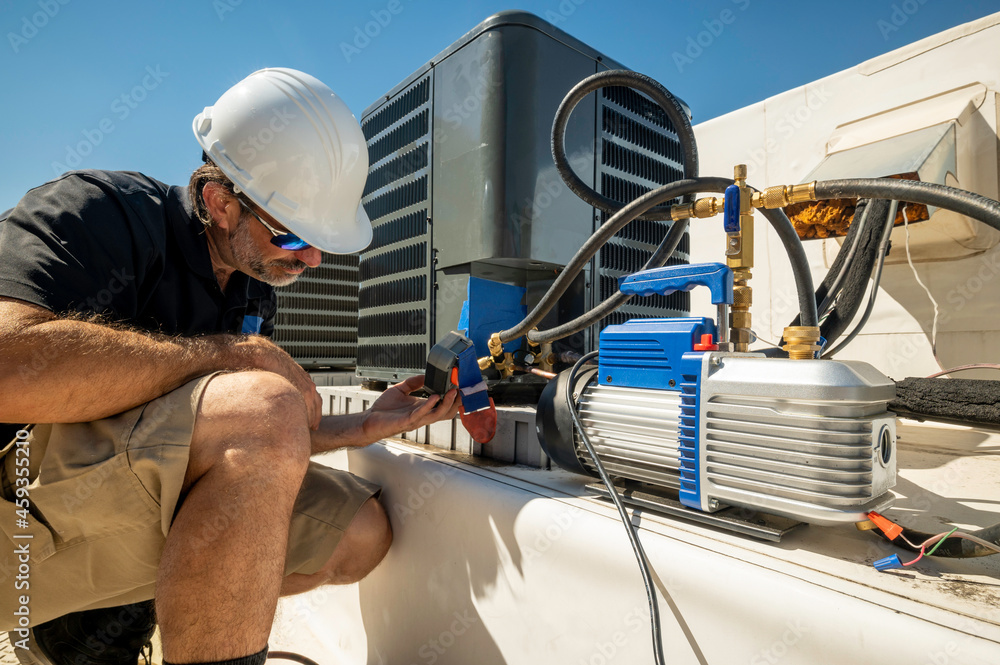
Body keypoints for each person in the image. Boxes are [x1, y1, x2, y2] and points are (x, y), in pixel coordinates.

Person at [0, 68, 459, 665]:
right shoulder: (103, 215)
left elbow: (247, 443)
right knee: (262, 402)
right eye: (294, 237)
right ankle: (55, 628)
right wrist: (232, 354)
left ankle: (156, 615)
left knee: (360, 532)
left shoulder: (250, 291)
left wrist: (365, 427)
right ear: (219, 203)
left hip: (116, 515)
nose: (314, 259)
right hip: (20, 529)